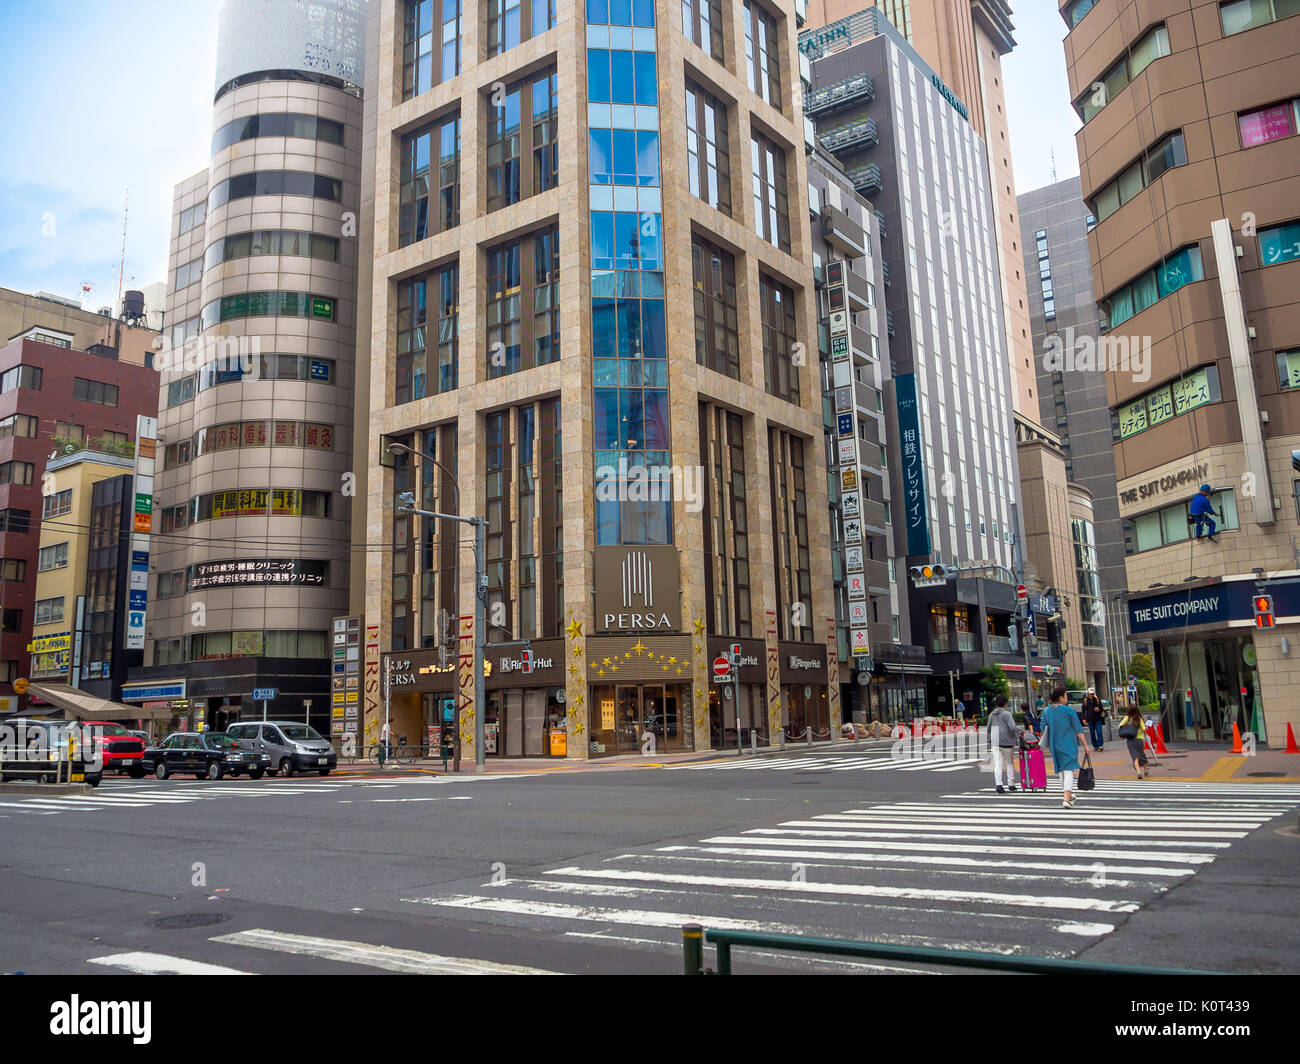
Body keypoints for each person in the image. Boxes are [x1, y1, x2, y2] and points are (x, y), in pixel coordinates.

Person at [1040, 684, 1087, 808]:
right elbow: (1078, 730)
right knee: (1069, 770)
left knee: (1061, 770)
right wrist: (1086, 745)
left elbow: (1042, 727)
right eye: (1066, 696)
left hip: (1054, 744)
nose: (1066, 698)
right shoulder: (1069, 711)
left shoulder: (1047, 711)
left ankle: (1068, 796)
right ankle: (1066, 798)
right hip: (1068, 744)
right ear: (1061, 698)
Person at [987, 694, 1021, 794]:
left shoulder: (992, 714)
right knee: (1010, 763)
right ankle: (1011, 784)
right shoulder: (1007, 714)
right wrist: (1022, 731)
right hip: (1007, 742)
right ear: (1005, 703)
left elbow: (988, 728)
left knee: (998, 764)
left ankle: (999, 784)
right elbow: (1013, 727)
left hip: (995, 742)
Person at [1119, 706, 1148, 779]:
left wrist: (1127, 728)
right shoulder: (1139, 718)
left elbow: (1120, 725)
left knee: (1135, 756)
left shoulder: (1128, 718)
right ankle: (1145, 770)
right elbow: (1144, 728)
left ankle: (1139, 772)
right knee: (1141, 754)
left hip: (1130, 740)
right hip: (1139, 740)